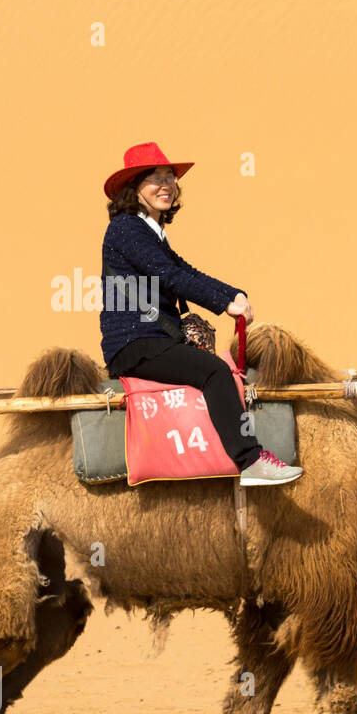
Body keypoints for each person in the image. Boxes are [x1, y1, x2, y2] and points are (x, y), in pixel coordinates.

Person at [99, 142, 303, 485]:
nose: (166, 185)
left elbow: (185, 270)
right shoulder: (127, 228)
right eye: (155, 178)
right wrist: (224, 304)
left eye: (170, 177)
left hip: (151, 340)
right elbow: (172, 276)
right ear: (134, 189)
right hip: (136, 343)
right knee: (214, 373)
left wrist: (232, 293)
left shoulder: (151, 232)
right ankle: (250, 461)